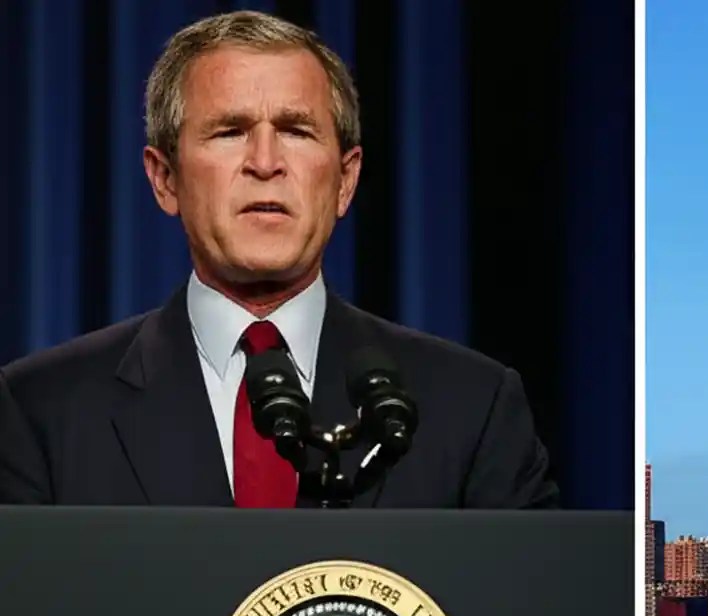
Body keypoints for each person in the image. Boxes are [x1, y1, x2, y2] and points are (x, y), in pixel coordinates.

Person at [0, 10, 558, 509]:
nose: (265, 162)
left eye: (295, 131)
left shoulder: (472, 407)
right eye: (229, 131)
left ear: (345, 180)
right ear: (164, 179)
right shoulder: (40, 411)